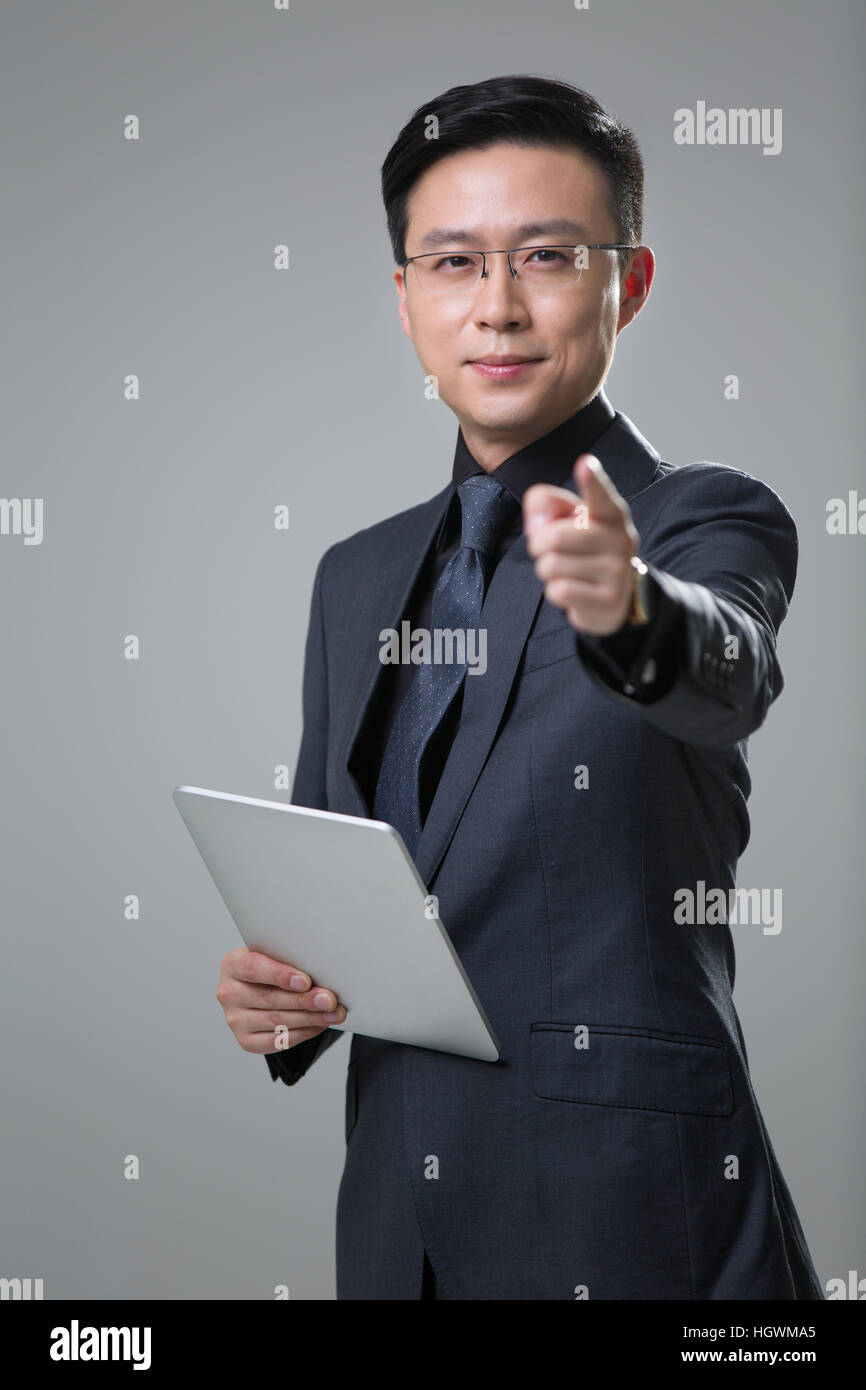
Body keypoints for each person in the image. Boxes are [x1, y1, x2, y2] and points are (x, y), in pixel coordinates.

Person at [216, 74, 823, 1300]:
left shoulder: (700, 517)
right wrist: (285, 996)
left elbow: (728, 668)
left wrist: (628, 612)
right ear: (403, 299)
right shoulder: (355, 577)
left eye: (545, 256)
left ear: (626, 285)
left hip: (636, 1215)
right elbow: (347, 891)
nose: (495, 307)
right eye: (450, 264)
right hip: (402, 1221)